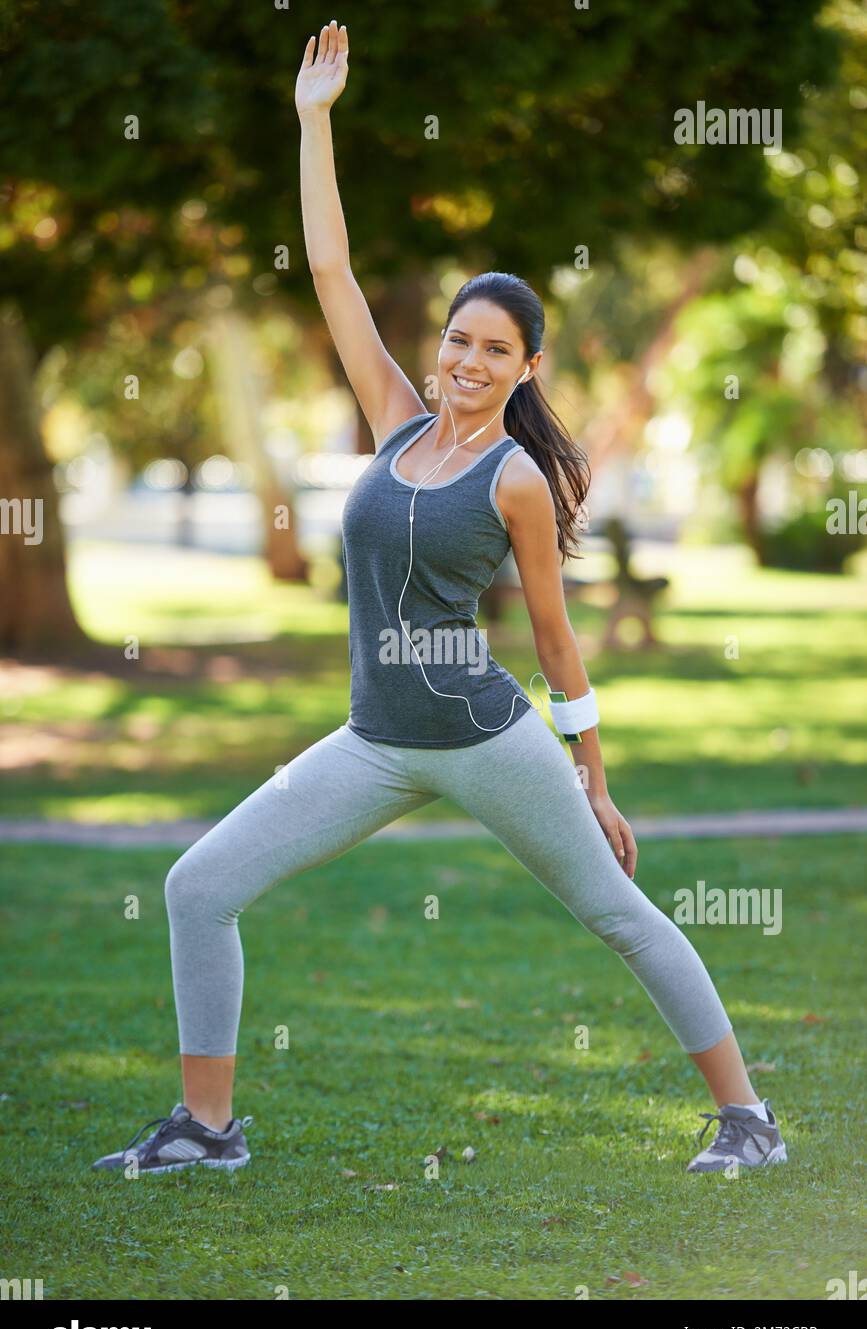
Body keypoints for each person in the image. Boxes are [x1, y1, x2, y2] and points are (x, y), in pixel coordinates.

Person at [92, 20, 787, 1178]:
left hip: (483, 737)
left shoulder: (513, 476)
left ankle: (747, 1120)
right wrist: (314, 122)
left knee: (619, 914)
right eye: (459, 338)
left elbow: (559, 644)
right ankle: (205, 1131)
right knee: (197, 883)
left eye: (495, 349)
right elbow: (329, 271)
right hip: (374, 739)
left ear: (525, 369)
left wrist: (594, 778)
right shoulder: (394, 423)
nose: (468, 360)